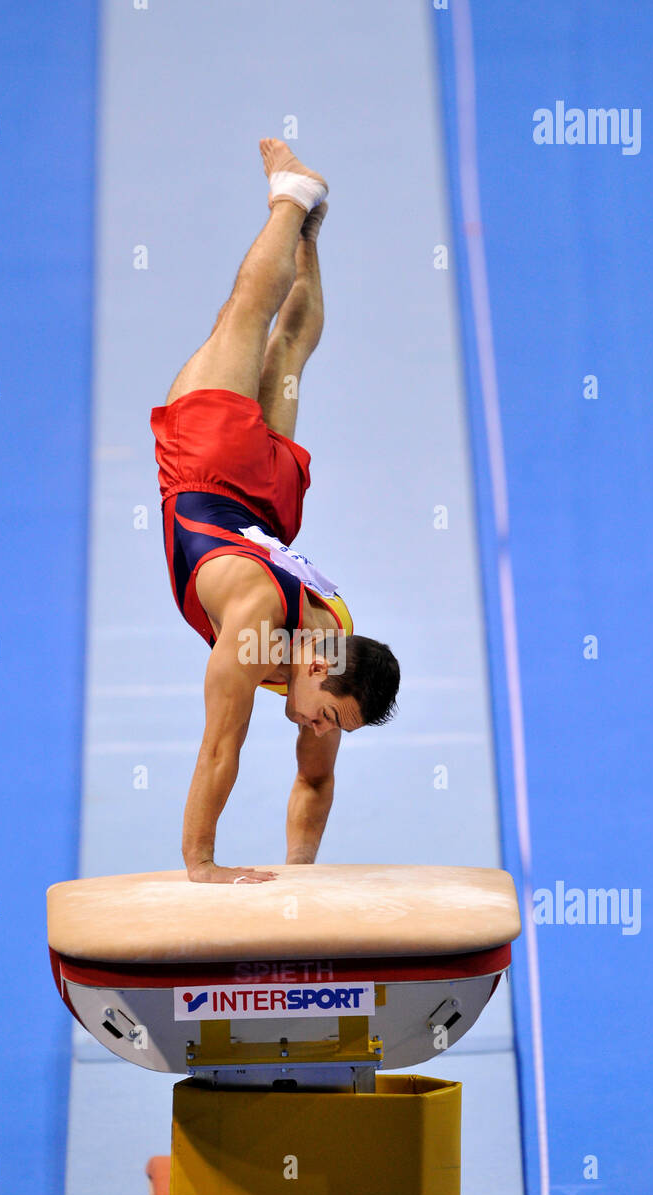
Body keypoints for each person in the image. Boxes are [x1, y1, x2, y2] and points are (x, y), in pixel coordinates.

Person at [151, 139, 400, 885]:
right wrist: (203, 865)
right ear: (323, 667)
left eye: (334, 726)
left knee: (288, 350)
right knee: (247, 318)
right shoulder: (259, 624)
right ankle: (290, 199)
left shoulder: (333, 658)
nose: (317, 728)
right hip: (212, 463)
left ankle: (309, 229)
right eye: (329, 715)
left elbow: (315, 782)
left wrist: (300, 881)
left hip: (267, 501)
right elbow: (219, 748)